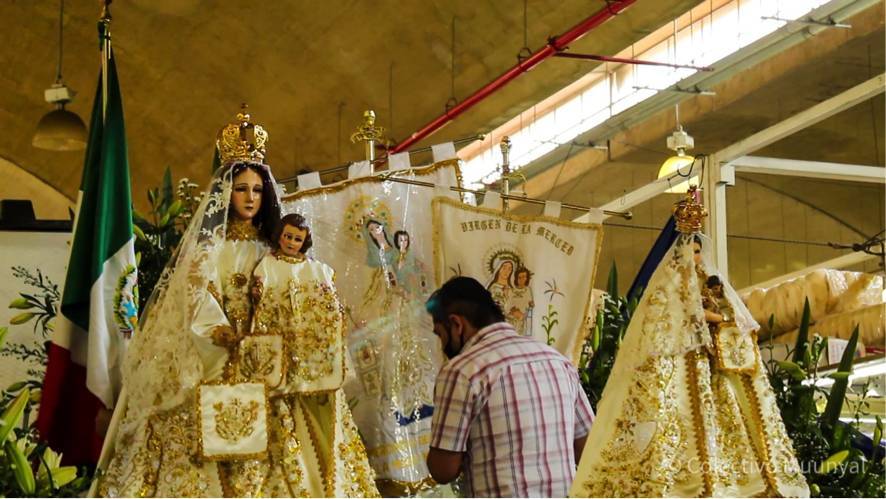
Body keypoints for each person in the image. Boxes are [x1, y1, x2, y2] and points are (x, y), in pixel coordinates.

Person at [96, 109, 376, 497]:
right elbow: (195, 300)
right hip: (218, 361)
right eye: (241, 188)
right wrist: (223, 334)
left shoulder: (277, 250)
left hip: (272, 368)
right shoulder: (209, 250)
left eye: (257, 190)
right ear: (226, 193)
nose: (250, 197)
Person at [570, 188, 808, 498]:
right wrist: (708, 317)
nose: (696, 257)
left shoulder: (710, 280)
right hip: (680, 361)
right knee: (679, 421)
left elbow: (729, 310)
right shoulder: (668, 283)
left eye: (699, 251)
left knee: (727, 419)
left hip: (714, 363)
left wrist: (722, 316)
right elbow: (666, 317)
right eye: (691, 251)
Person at [424, 276, 594, 497]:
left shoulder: (462, 371)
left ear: (456, 324)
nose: (442, 346)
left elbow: (443, 470)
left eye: (440, 334)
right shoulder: (557, 361)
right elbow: (588, 448)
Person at [249, 213, 379, 497]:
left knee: (328, 424)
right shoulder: (267, 265)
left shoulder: (319, 270)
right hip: (284, 359)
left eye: (297, 239)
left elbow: (329, 308)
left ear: (305, 241)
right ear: (279, 235)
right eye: (287, 237)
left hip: (316, 360)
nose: (292, 243)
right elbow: (261, 306)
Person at [507, 266, 534, 335]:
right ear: (516, 278)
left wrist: (530, 306)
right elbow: (508, 305)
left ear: (527, 278)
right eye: (520, 277)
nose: (522, 279)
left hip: (523, 319)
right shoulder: (511, 291)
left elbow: (530, 305)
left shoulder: (528, 290)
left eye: (524, 277)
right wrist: (514, 312)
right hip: (512, 319)